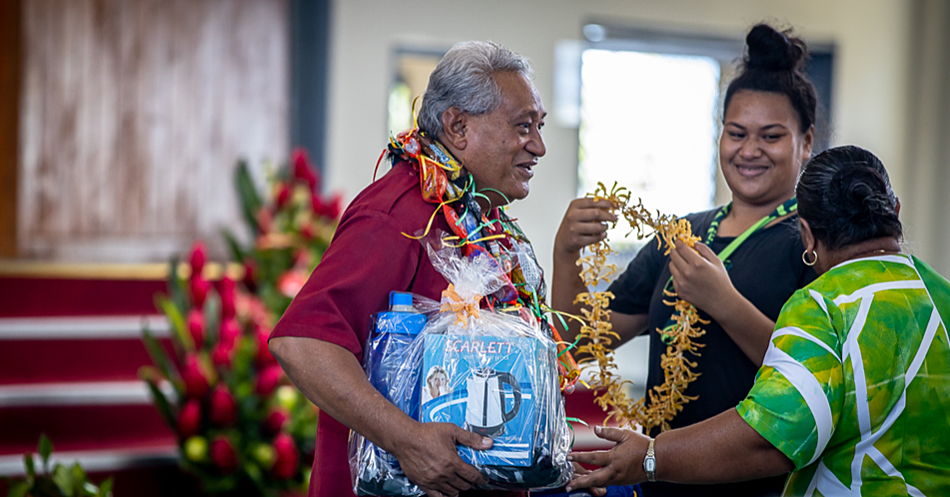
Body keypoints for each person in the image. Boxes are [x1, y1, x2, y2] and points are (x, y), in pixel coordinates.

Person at [566, 145, 950, 496]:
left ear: (807, 236)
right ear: (895, 211)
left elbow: (772, 438)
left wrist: (651, 456)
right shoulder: (942, 296)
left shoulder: (823, 305)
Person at [269, 41, 549, 497]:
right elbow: (302, 343)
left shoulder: (480, 216)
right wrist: (405, 438)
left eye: (537, 126)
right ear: (457, 126)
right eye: (523, 127)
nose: (537, 146)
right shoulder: (397, 214)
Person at [551, 23, 818, 496]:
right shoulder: (681, 234)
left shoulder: (813, 241)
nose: (750, 150)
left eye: (771, 136)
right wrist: (566, 253)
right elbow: (579, 343)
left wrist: (725, 303)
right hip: (660, 481)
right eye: (736, 133)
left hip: (762, 484)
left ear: (807, 142)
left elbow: (815, 376)